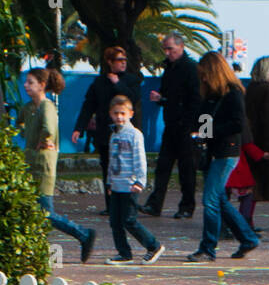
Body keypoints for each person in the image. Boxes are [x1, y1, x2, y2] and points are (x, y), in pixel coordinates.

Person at [185, 51, 259, 263]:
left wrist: (209, 131)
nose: (203, 79)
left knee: (210, 199)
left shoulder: (233, 94)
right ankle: (247, 238)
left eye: (205, 74)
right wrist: (201, 134)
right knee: (218, 199)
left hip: (227, 152)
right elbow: (205, 121)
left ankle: (208, 247)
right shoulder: (210, 96)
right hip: (214, 151)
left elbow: (237, 124)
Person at [20, 68, 97, 264]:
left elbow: (48, 128)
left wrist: (42, 140)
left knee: (45, 212)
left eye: (30, 82)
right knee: (32, 210)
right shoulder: (29, 107)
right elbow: (19, 122)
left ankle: (83, 234)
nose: (26, 86)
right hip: (30, 164)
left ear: (42, 85)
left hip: (43, 166)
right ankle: (34, 249)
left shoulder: (47, 107)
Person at [71, 46, 142, 215]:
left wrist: (117, 83)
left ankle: (128, 204)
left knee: (127, 167)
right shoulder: (99, 82)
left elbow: (133, 97)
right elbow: (88, 106)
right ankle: (111, 205)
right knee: (108, 168)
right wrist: (79, 128)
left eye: (124, 60)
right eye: (119, 60)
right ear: (110, 62)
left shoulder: (131, 80)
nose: (123, 63)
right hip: (105, 133)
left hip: (125, 133)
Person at [140, 33, 201, 219]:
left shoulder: (191, 69)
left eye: (171, 49)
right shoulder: (169, 69)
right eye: (165, 49)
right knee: (163, 166)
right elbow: (170, 95)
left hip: (186, 126)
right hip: (172, 124)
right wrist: (161, 99)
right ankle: (155, 203)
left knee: (186, 169)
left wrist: (199, 129)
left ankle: (187, 205)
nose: (167, 53)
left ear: (181, 47)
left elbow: (195, 99)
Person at [103, 95, 163, 265]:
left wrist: (140, 181)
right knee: (115, 221)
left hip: (130, 185)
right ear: (110, 114)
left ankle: (153, 245)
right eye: (115, 113)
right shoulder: (113, 135)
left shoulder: (134, 134)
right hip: (116, 185)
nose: (119, 117)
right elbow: (112, 161)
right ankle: (124, 253)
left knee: (129, 220)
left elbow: (140, 159)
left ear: (130, 113)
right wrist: (109, 182)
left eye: (122, 113)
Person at [243, 56, 269, 232]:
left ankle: (246, 219)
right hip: (265, 143)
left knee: (251, 186)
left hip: (252, 142)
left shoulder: (250, 89)